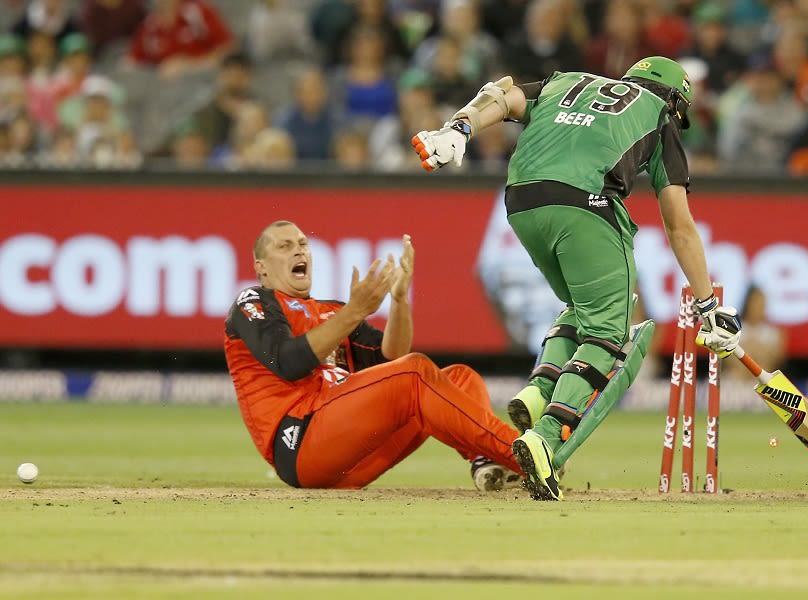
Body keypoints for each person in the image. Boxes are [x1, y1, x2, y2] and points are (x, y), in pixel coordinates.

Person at [411, 56, 743, 501]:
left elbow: (503, 97)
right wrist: (708, 306)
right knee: (609, 330)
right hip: (586, 202)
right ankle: (547, 436)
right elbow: (679, 225)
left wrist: (460, 128)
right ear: (674, 99)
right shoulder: (659, 114)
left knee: (582, 309)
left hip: (522, 201)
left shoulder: (565, 81)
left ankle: (538, 391)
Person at [224, 221, 523, 492]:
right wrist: (355, 312)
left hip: (351, 454)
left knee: (459, 379)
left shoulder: (332, 311)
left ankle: (488, 463)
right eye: (284, 246)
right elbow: (287, 362)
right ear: (262, 267)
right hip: (301, 444)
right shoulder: (254, 301)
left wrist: (399, 300)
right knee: (416, 372)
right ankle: (522, 454)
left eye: (302, 243)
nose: (298, 250)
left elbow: (391, 359)